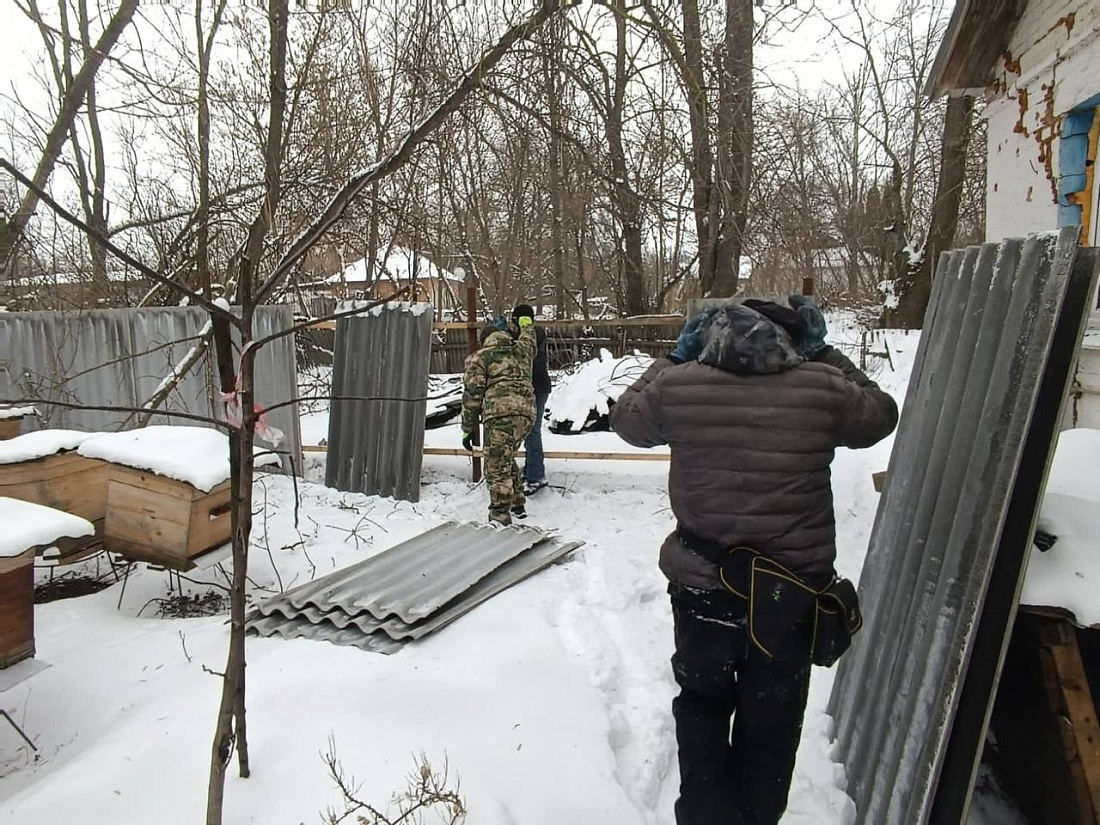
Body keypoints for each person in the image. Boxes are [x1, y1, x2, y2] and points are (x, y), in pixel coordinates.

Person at [609, 297, 898, 825]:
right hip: (786, 601)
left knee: (701, 704)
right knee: (772, 724)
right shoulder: (822, 389)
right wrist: (827, 353)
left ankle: (701, 816)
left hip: (703, 588)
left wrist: (673, 358)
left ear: (710, 335)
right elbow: (880, 416)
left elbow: (627, 420)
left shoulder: (680, 387)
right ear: (794, 339)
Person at [461, 317, 538, 525]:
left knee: (495, 466)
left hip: (500, 413)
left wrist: (467, 429)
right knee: (505, 455)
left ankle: (499, 516)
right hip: (527, 414)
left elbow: (472, 396)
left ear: (485, 340)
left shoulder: (480, 358)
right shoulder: (522, 350)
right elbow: (530, 338)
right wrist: (525, 323)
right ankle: (517, 503)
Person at [510, 303, 552, 495]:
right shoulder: (521, 336)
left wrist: (523, 329)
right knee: (527, 431)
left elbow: (526, 350)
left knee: (533, 431)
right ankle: (531, 470)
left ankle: (536, 476)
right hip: (527, 388)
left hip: (537, 387)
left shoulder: (537, 333)